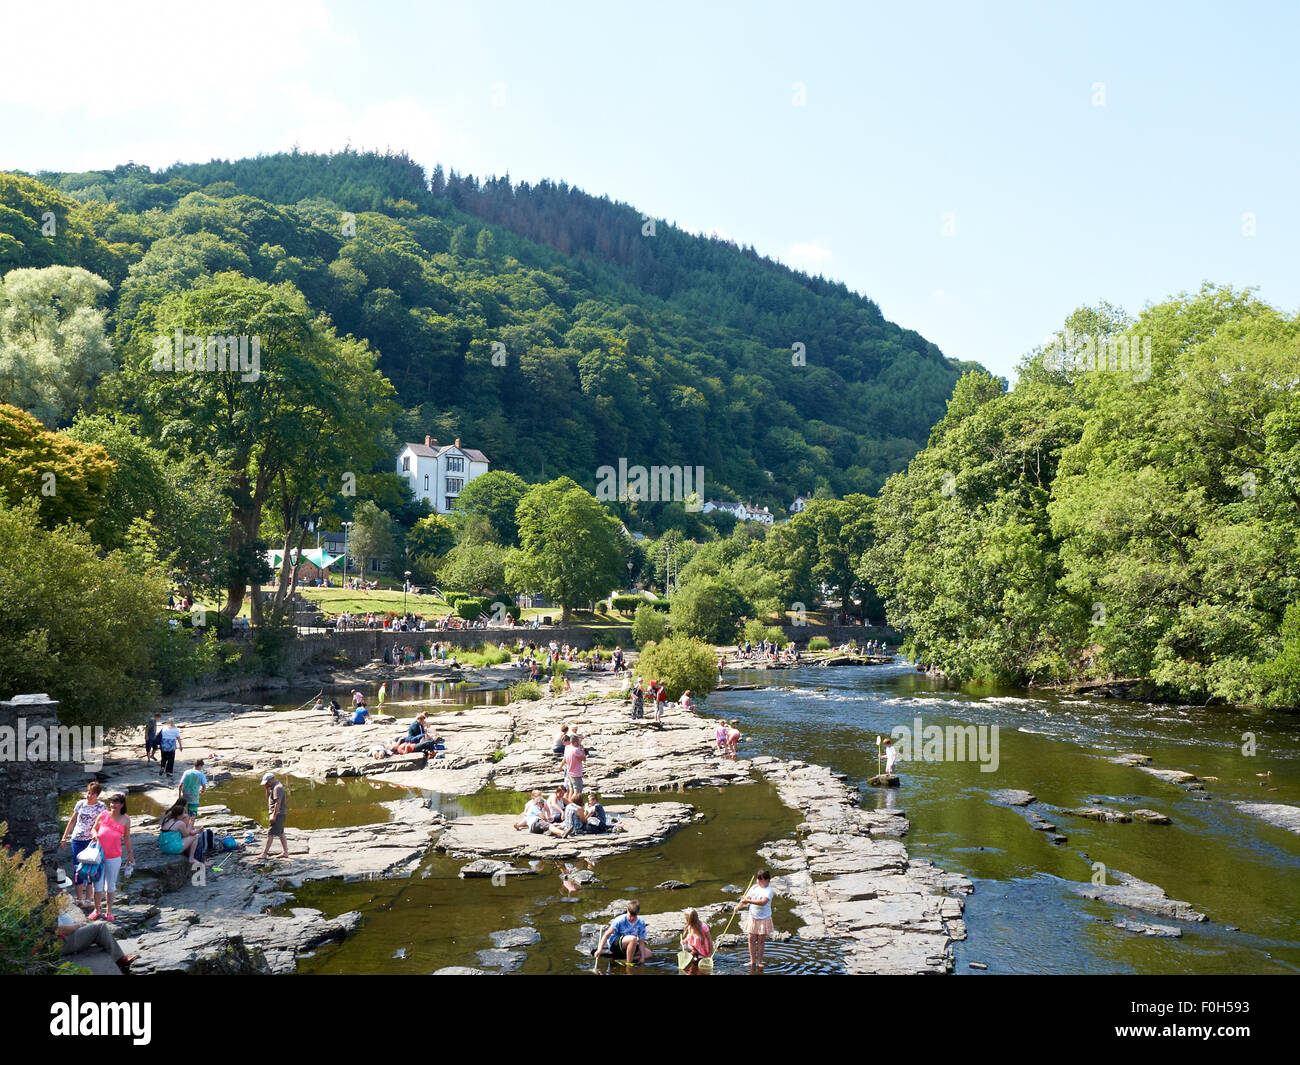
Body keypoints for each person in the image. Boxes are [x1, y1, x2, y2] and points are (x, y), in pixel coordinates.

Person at [56, 895, 138, 973]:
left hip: (65, 938)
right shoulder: (48, 909)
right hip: (63, 943)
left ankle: (112, 951)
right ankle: (119, 959)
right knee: (100, 927)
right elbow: (60, 930)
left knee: (92, 926)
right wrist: (78, 925)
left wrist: (78, 924)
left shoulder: (48, 905)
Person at [60, 783, 108, 910]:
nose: (89, 795)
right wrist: (65, 836)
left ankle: (88, 899)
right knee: (77, 868)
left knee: (89, 869)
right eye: (88, 792)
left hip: (91, 841)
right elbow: (72, 820)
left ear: (97, 795)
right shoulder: (80, 804)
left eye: (92, 793)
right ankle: (79, 898)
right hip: (77, 839)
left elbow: (105, 823)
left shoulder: (101, 806)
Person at [89, 793, 133, 922]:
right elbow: (93, 829)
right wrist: (95, 834)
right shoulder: (103, 815)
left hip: (114, 856)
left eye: (116, 803)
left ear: (122, 805)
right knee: (97, 884)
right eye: (112, 803)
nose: (113, 805)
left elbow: (127, 837)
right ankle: (96, 910)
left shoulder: (126, 819)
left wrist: (130, 853)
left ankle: (109, 911)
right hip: (98, 855)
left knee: (111, 885)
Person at [733, 869, 775, 970]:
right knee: (751, 939)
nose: (760, 882)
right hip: (753, 917)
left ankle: (759, 961)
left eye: (763, 880)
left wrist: (748, 901)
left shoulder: (769, 890)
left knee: (761, 940)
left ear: (768, 880)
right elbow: (746, 899)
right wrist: (738, 906)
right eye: (759, 880)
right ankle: (752, 961)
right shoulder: (754, 887)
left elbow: (763, 902)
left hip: (764, 918)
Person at [594, 900, 651, 965]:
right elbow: (606, 935)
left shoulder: (641, 923)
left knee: (648, 953)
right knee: (633, 939)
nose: (632, 918)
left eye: (634, 916)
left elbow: (641, 942)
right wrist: (599, 950)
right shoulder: (620, 920)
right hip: (615, 944)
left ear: (638, 913)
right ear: (627, 910)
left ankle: (624, 959)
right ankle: (628, 963)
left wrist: (642, 958)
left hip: (630, 944)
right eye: (630, 915)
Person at [159, 798, 205, 868]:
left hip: (163, 847)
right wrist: (192, 822)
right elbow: (186, 834)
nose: (185, 815)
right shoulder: (179, 823)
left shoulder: (167, 819)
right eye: (184, 813)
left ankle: (191, 857)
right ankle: (191, 858)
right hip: (172, 848)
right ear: (179, 815)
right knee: (195, 837)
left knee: (190, 836)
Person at [259, 773, 290, 860]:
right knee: (281, 833)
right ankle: (285, 852)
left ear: (272, 779)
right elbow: (269, 798)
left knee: (270, 834)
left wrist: (274, 815)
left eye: (267, 782)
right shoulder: (274, 787)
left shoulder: (277, 788)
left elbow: (278, 802)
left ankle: (264, 854)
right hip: (279, 814)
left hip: (278, 814)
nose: (266, 784)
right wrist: (267, 789)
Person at [680, 907, 713, 971]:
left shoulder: (703, 927)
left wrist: (710, 952)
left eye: (687, 920)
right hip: (695, 949)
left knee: (701, 967)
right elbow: (689, 935)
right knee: (692, 964)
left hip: (703, 951)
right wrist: (684, 941)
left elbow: (709, 939)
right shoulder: (690, 926)